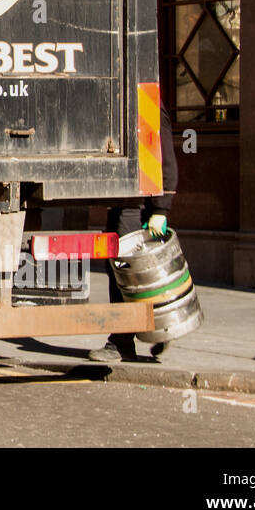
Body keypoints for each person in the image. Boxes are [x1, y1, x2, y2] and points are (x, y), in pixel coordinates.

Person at [89, 103, 178, 362]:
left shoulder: (147, 104)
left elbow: (165, 155)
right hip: (124, 198)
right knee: (127, 269)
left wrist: (161, 209)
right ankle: (156, 327)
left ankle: (122, 341)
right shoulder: (123, 103)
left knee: (126, 268)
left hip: (138, 201)